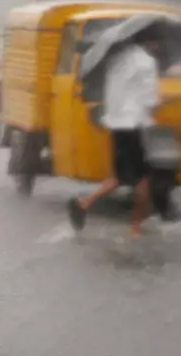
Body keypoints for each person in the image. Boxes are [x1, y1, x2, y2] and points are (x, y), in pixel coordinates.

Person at [67, 29, 163, 237]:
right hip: (133, 125)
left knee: (121, 177)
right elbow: (150, 100)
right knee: (141, 179)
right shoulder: (146, 62)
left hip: (117, 124)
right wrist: (159, 103)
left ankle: (87, 204)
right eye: (157, 42)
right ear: (150, 41)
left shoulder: (116, 60)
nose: (159, 47)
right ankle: (135, 227)